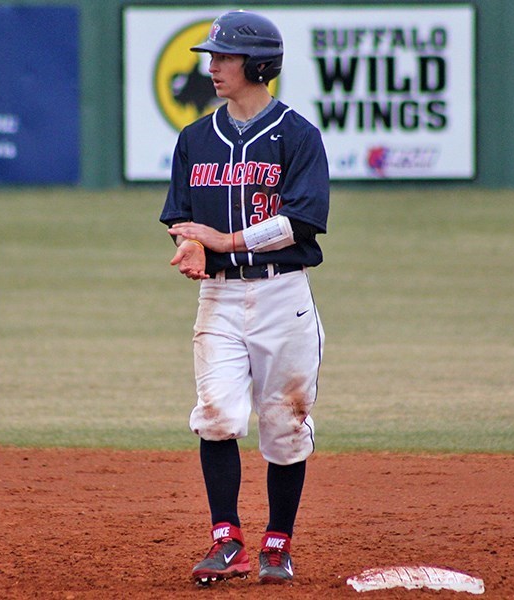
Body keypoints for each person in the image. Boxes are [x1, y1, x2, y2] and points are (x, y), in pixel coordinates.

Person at [159, 9, 329, 587]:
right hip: (220, 299)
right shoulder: (195, 139)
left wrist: (223, 240)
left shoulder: (298, 136)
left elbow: (300, 222)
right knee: (216, 416)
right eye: (212, 57)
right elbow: (180, 217)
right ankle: (225, 540)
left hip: (284, 297)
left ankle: (277, 544)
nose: (213, 67)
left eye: (224, 57)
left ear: (258, 65)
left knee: (285, 427)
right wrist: (190, 245)